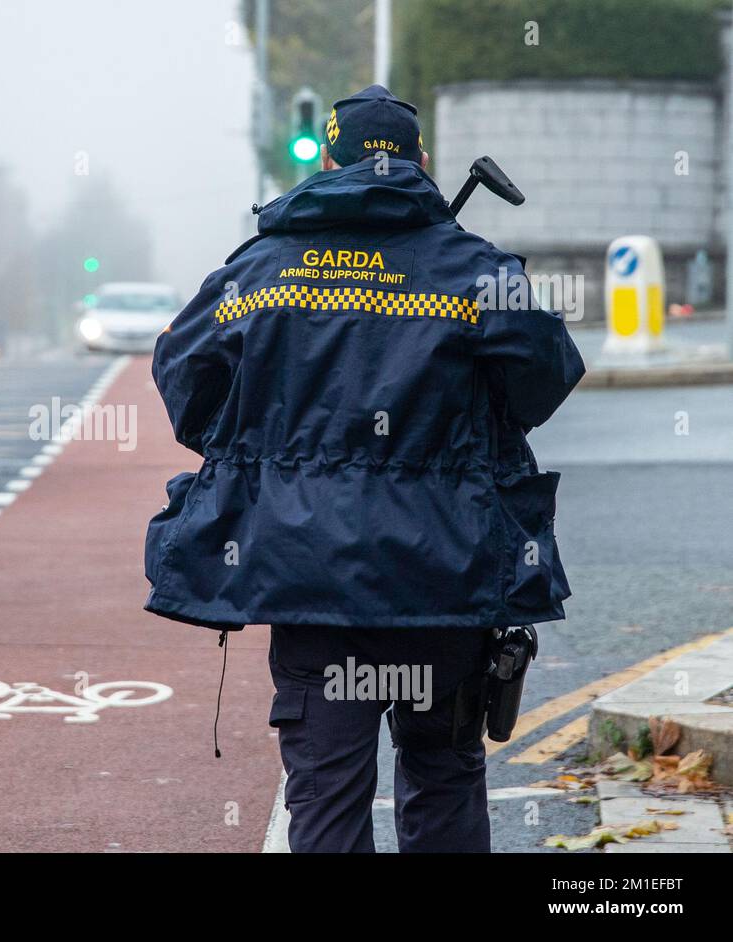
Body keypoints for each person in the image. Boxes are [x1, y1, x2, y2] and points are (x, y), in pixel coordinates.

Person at [143, 85, 584, 852]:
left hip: (308, 581)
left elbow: (183, 377)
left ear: (328, 163)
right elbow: (544, 382)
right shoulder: (472, 269)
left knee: (326, 797)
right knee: (444, 779)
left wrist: (262, 449)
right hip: (443, 578)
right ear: (418, 161)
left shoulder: (261, 271)